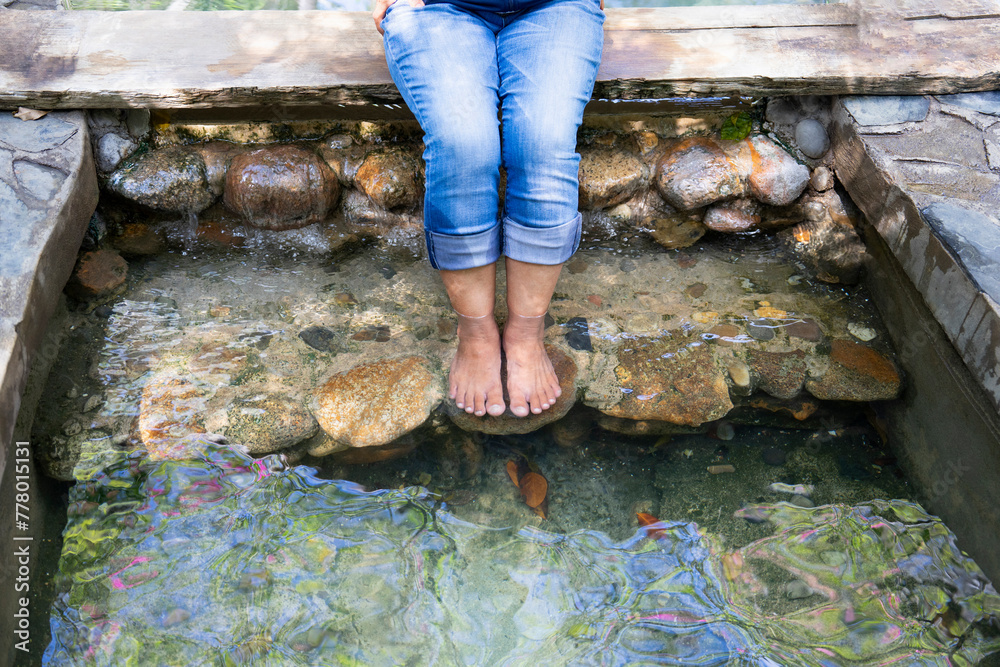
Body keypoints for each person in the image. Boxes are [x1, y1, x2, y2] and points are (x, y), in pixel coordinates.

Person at [374, 0, 604, 418]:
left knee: (544, 145)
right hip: (435, 8)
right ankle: (476, 332)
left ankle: (526, 332)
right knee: (464, 146)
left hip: (555, 6)